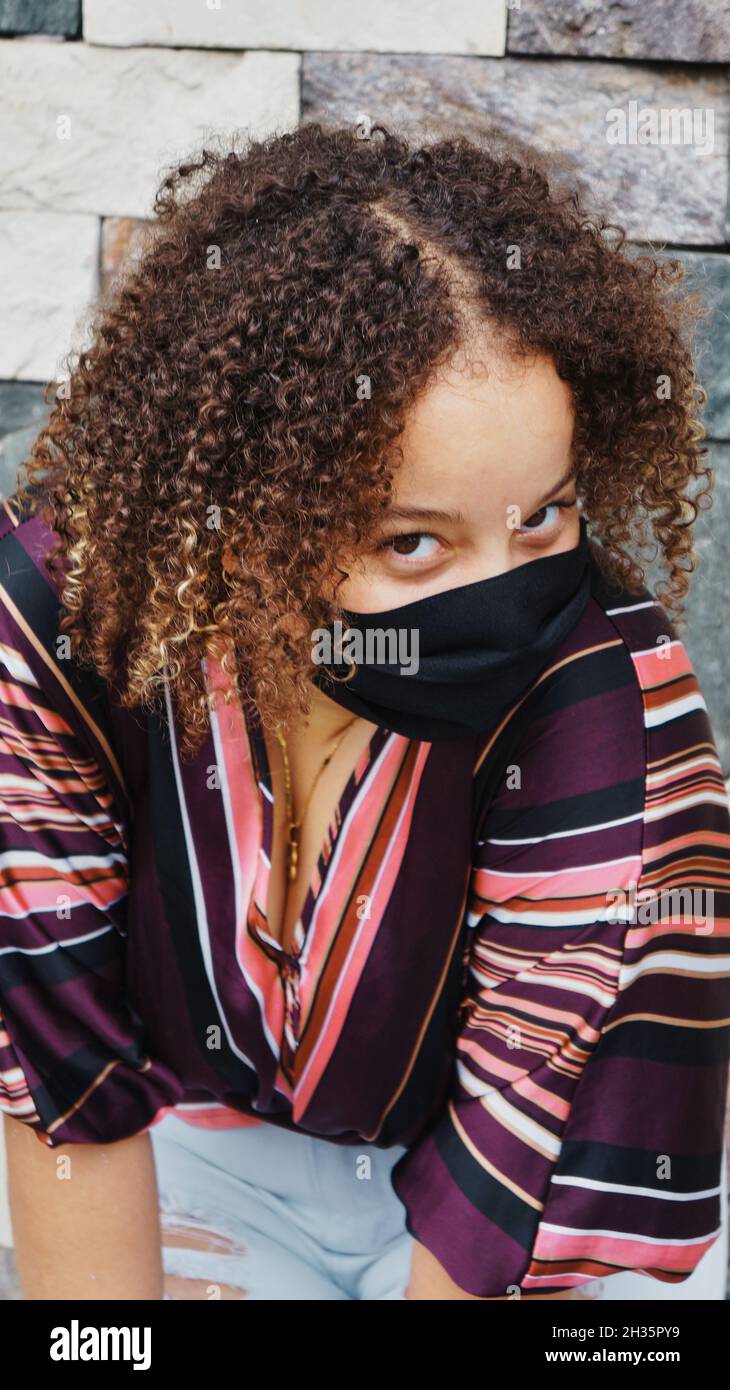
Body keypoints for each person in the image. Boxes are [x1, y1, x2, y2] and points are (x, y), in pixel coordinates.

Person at [1, 121, 728, 1302]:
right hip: (206, 1158)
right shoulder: (64, 633)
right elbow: (54, 1057)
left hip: (522, 1210)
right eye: (412, 541)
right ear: (245, 513)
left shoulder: (613, 721)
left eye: (540, 518)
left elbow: (522, 1166)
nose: (501, 594)